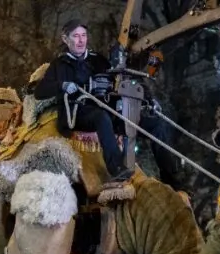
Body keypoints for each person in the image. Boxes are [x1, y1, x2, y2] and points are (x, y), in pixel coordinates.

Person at [34, 19, 180, 188]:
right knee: (101, 117)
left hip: (106, 111)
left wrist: (148, 99)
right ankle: (117, 168)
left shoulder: (98, 60)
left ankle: (171, 178)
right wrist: (63, 85)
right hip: (77, 113)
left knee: (155, 124)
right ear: (66, 40)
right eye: (76, 36)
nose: (81, 40)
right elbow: (40, 91)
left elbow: (124, 77)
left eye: (83, 36)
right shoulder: (60, 64)